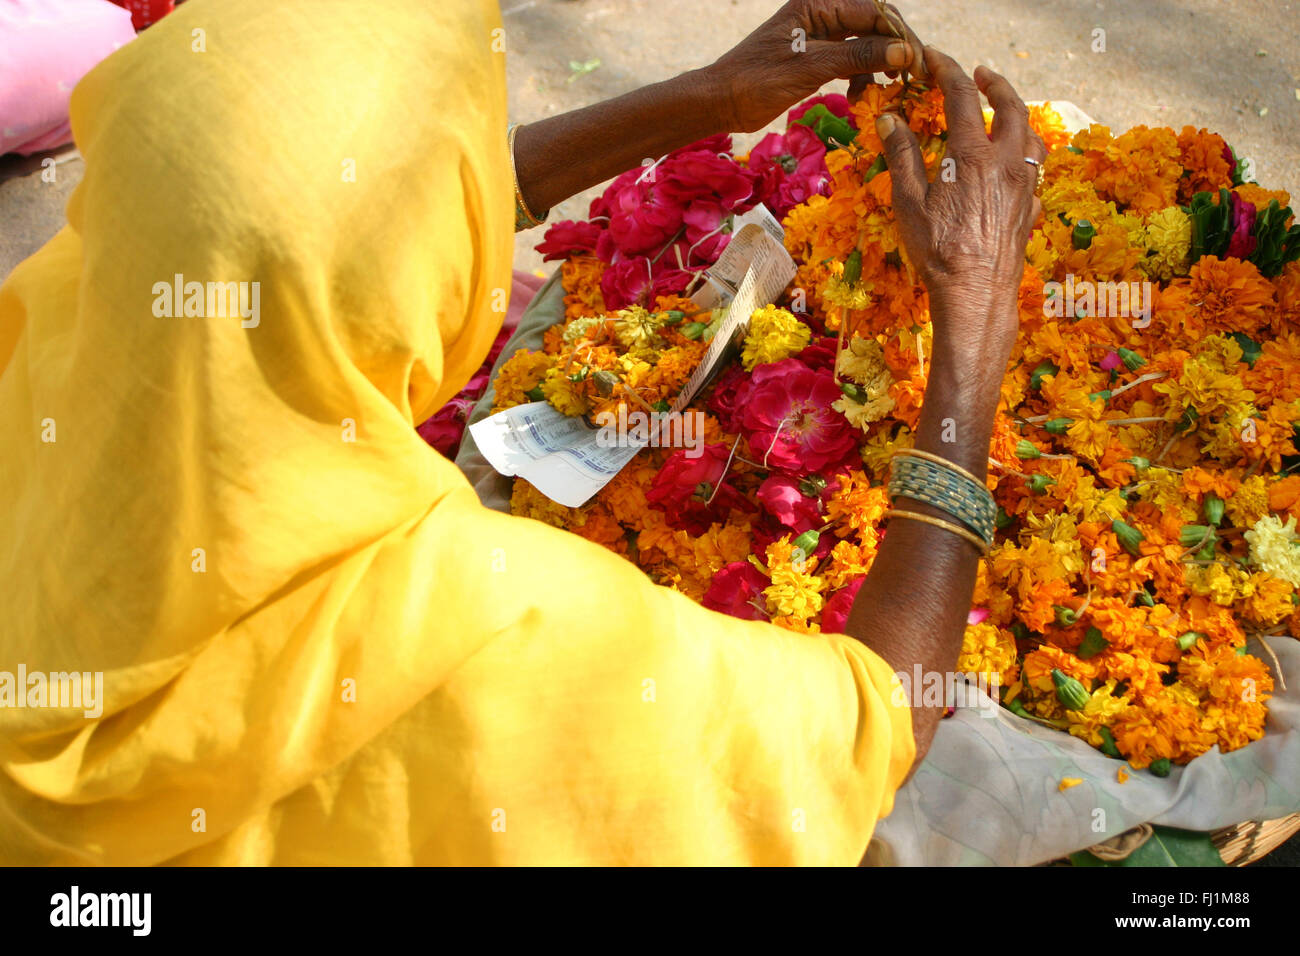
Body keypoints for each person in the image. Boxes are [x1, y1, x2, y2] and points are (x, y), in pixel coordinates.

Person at [0, 0, 1042, 865]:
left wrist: (706, 99)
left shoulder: (61, 323)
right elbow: (876, 719)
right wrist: (975, 323)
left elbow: (313, 223)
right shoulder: (486, 633)